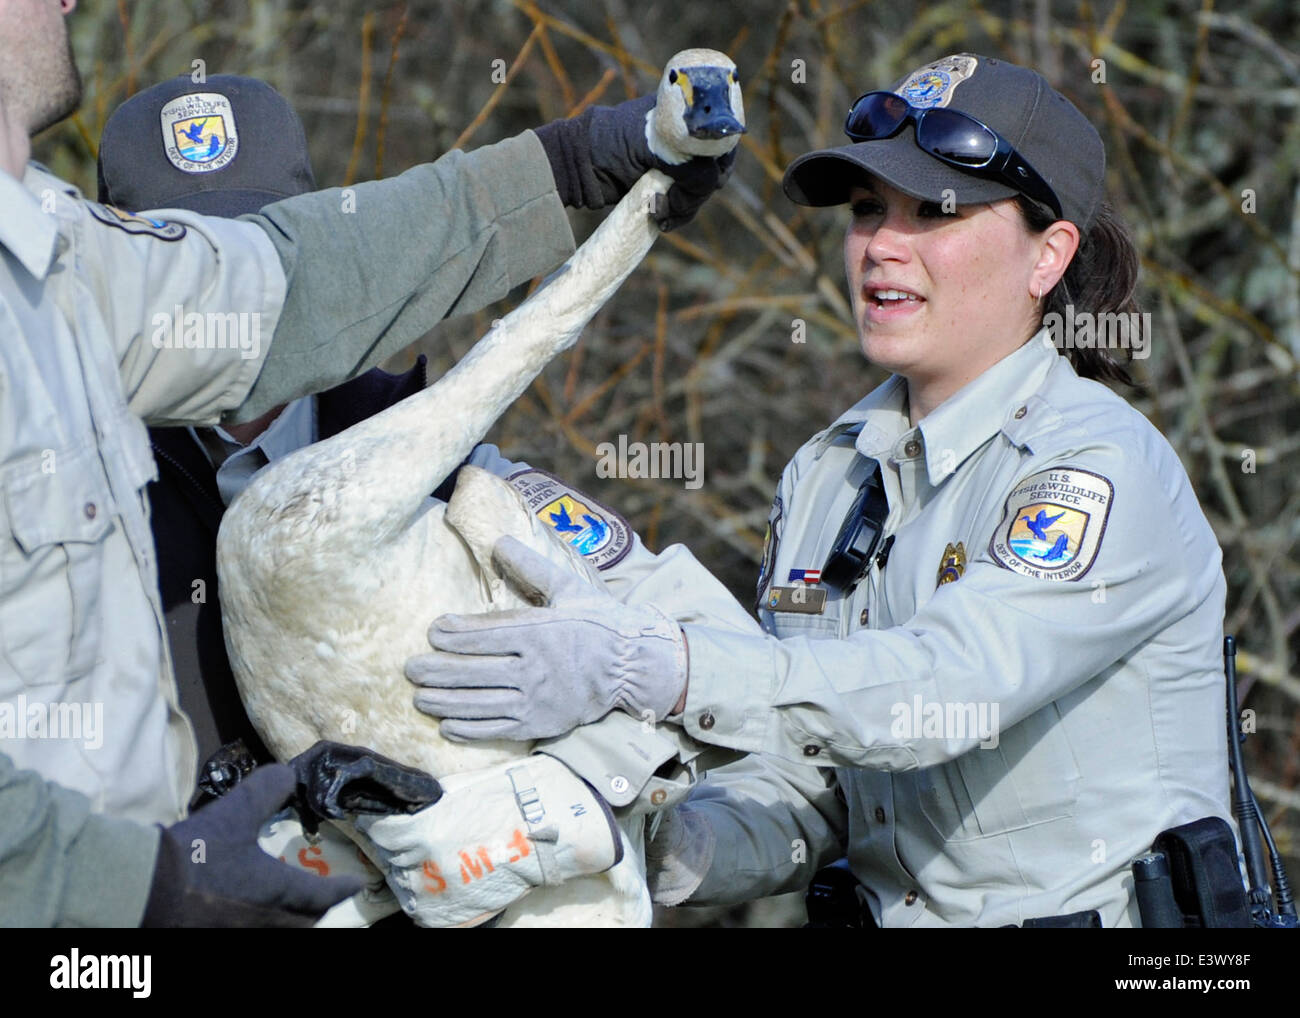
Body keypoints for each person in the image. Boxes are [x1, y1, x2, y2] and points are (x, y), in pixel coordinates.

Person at [408, 53, 1234, 927]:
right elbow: (817, 786)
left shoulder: (1098, 467)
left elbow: (947, 690)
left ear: (1048, 256)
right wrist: (661, 847)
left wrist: (659, 668)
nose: (882, 244)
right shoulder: (824, 475)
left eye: (936, 212)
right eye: (871, 210)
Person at [0, 0, 735, 926]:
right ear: (137, 256)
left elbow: (709, 669)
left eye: (251, 245)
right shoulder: (86, 483)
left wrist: (586, 776)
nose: (217, 315)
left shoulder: (454, 481)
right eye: (191, 256)